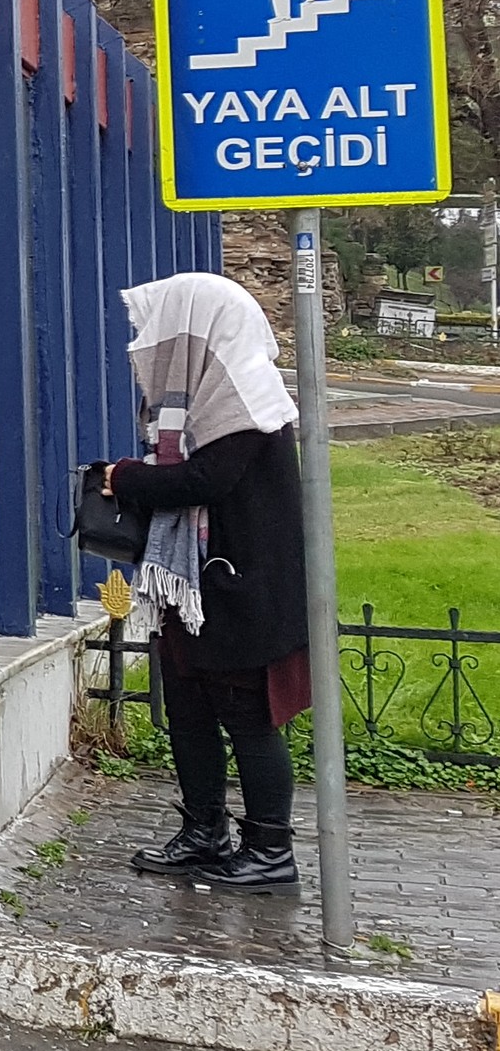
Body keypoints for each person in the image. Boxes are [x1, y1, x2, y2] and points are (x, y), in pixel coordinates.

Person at [108, 272, 310, 894]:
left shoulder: (246, 397)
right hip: (195, 588)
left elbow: (205, 481)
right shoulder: (199, 398)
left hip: (241, 590)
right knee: (190, 713)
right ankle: (204, 833)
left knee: (248, 718)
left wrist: (125, 477)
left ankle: (271, 850)